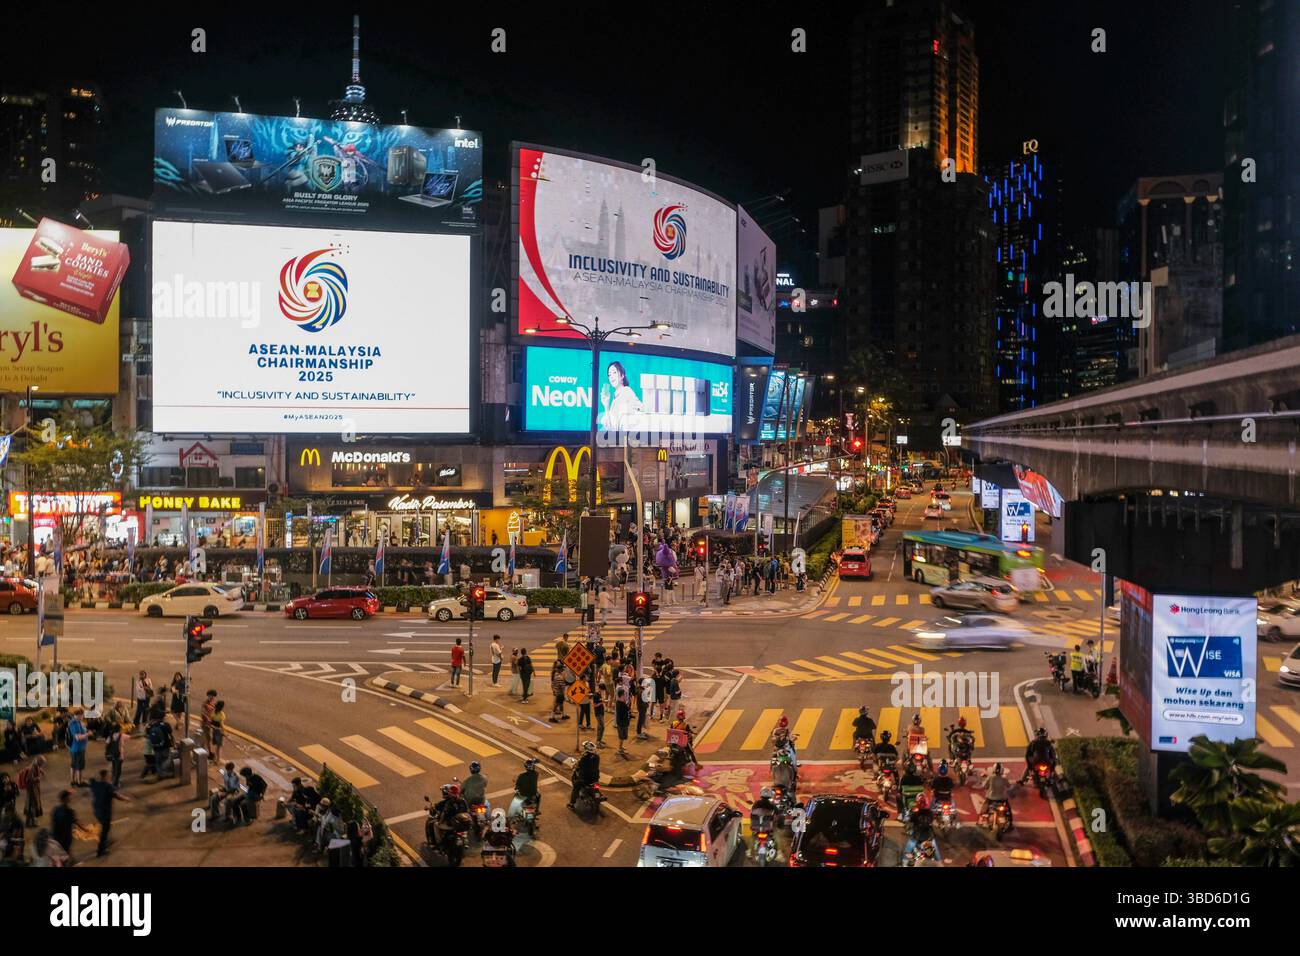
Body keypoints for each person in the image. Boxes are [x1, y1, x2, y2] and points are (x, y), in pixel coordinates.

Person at [89, 769, 126, 857]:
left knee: (105, 826)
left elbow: (91, 780)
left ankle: (106, 840)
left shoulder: (95, 784)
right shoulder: (108, 786)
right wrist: (126, 799)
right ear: (105, 776)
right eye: (109, 775)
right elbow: (116, 795)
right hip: (104, 812)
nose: (110, 776)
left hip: (96, 811)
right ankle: (100, 850)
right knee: (105, 829)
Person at [903, 792, 941, 864]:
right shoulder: (930, 812)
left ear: (917, 802)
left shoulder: (914, 812)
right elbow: (933, 820)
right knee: (935, 851)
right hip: (928, 837)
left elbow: (907, 819)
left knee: (908, 850)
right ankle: (940, 863)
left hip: (917, 836)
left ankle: (904, 862)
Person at [568, 740, 600, 810]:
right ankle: (597, 795)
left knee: (576, 788)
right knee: (597, 787)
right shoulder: (597, 757)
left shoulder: (584, 758)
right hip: (595, 778)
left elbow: (578, 766)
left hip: (585, 779)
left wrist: (575, 766)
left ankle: (571, 804)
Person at [983, 763, 1014, 831]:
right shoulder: (1004, 779)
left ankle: (983, 821)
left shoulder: (990, 778)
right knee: (1008, 811)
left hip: (991, 798)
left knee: (985, 809)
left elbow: (984, 786)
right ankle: (1010, 824)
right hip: (1002, 799)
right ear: (1002, 771)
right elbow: (1009, 787)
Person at [50, 790, 77, 862]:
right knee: (65, 854)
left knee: (62, 852)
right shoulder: (69, 811)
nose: (70, 798)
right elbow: (76, 822)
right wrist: (86, 830)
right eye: (69, 797)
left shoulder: (55, 810)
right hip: (65, 837)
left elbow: (53, 823)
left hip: (57, 836)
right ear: (65, 799)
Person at [22, 754, 46, 826]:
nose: (42, 765)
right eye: (42, 763)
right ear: (39, 762)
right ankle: (32, 822)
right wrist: (38, 778)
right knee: (32, 805)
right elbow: (29, 779)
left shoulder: (36, 765)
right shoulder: (32, 768)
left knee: (31, 805)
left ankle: (29, 822)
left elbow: (39, 770)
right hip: (32, 790)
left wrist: (41, 772)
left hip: (34, 789)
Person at [67, 708, 88, 788]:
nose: (83, 717)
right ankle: (79, 782)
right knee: (78, 766)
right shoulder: (74, 724)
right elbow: (77, 737)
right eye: (82, 715)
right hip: (77, 748)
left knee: (74, 765)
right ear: (79, 715)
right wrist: (87, 734)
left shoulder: (77, 722)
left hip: (77, 748)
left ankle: (73, 781)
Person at [104, 723, 125, 790]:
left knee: (113, 767)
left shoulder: (110, 736)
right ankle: (115, 783)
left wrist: (107, 751)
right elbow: (120, 747)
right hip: (118, 754)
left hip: (112, 754)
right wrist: (121, 755)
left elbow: (106, 744)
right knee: (118, 769)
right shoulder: (121, 736)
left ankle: (113, 781)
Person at [614, 686, 632, 758]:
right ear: (621, 695)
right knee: (621, 736)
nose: (625, 696)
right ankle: (619, 749)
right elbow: (627, 710)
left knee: (623, 736)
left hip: (623, 722)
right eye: (624, 694)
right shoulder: (620, 703)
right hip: (621, 722)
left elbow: (627, 709)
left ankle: (621, 747)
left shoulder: (621, 702)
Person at [636, 670, 653, 740]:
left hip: (641, 706)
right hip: (642, 707)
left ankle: (639, 731)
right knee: (641, 719)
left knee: (641, 719)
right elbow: (643, 701)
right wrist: (647, 704)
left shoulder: (640, 689)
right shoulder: (641, 691)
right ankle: (639, 733)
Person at [209, 700, 226, 765]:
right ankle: (218, 760)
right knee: (219, 746)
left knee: (217, 746)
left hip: (214, 731)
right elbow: (221, 725)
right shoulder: (222, 714)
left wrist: (214, 727)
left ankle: (216, 758)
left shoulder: (213, 712)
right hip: (219, 731)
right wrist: (224, 732)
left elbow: (210, 722)